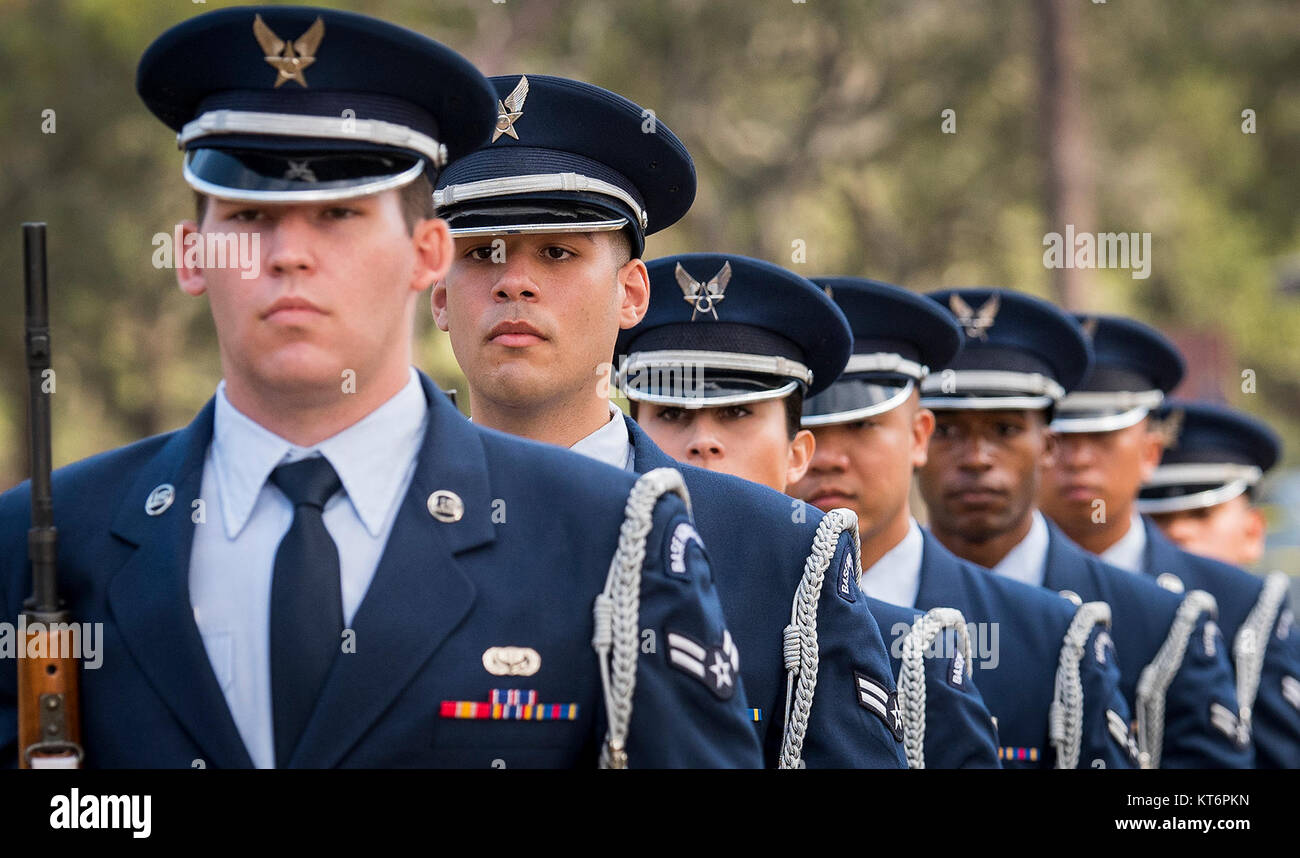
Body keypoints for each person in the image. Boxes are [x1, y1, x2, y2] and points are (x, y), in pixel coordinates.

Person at [0, 7, 764, 769]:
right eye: (252, 216)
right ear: (193, 255)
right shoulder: (49, 542)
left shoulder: (612, 543)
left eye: (339, 214)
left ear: (426, 252)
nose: (290, 254)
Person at [432, 75, 908, 767]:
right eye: (481, 253)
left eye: (557, 252)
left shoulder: (778, 551)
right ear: (438, 295)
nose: (514, 281)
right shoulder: (377, 516)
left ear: (630, 294)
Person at [623, 258, 1003, 768]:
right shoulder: (585, 594)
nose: (703, 443)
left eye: (738, 413)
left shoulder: (906, 655)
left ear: (796, 456)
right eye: (670, 414)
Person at [787, 276, 1135, 769]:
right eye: (806, 429)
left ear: (918, 437)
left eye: (862, 425)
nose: (828, 458)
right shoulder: (738, 614)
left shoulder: (1053, 641)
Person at [915, 288, 1251, 768]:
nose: (977, 459)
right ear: (918, 439)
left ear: (1047, 447)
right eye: (948, 431)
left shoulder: (1160, 623)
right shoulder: (855, 605)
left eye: (1006, 429)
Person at [1039, 315, 1300, 768]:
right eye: (1061, 437)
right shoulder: (985, 584)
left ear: (1149, 454)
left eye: (1101, 434)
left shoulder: (1240, 605)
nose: (1079, 459)